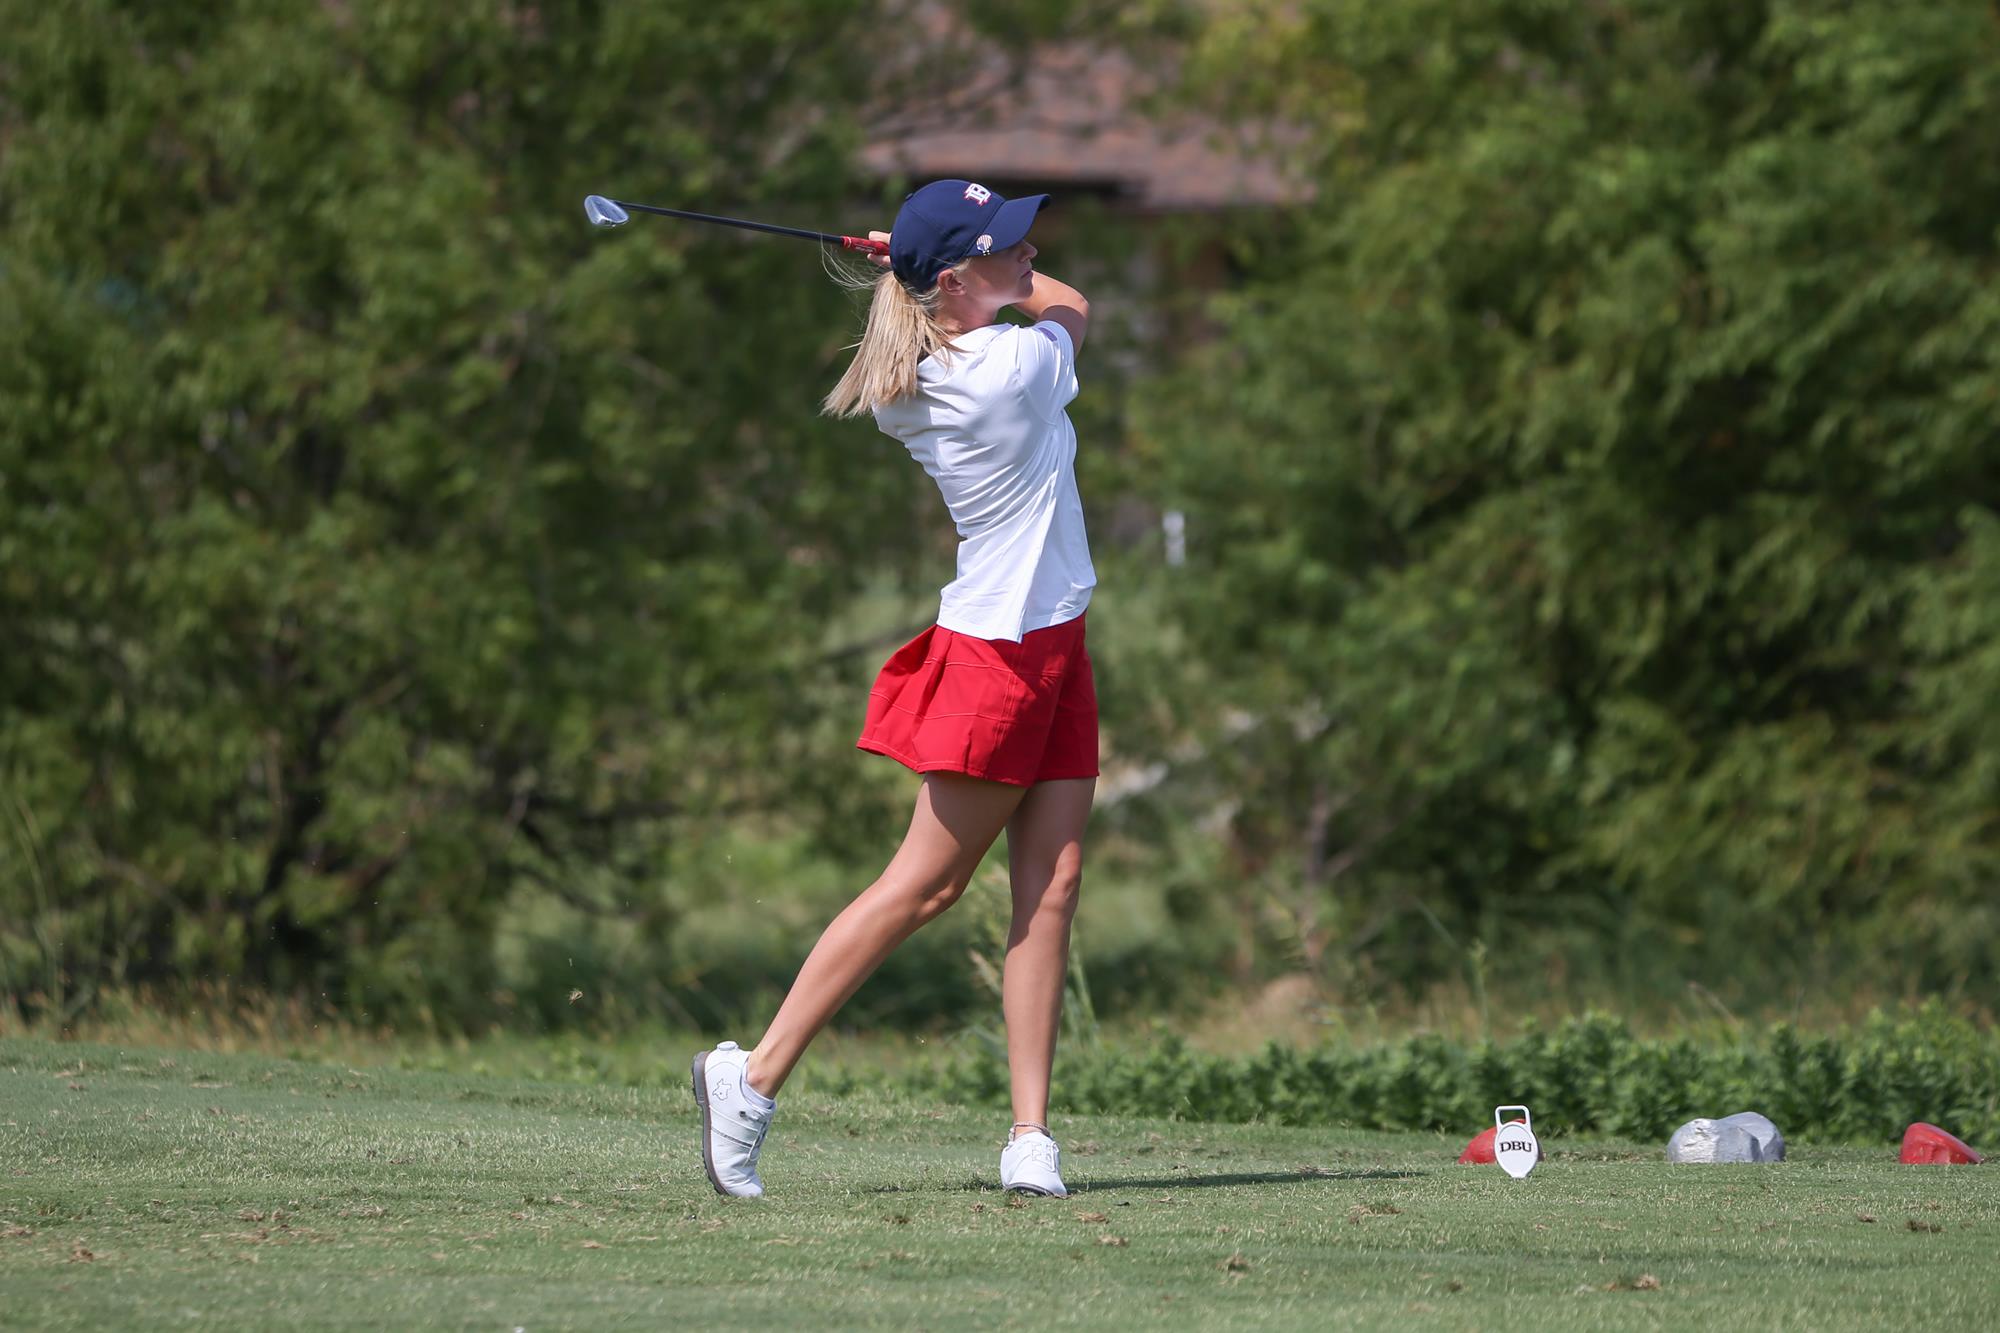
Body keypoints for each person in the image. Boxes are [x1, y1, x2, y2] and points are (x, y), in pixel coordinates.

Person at [693, 180, 1097, 1199]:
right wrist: (929, 268)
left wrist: (928, 274)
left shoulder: (933, 366)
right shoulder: (1005, 369)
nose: (1027, 255)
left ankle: (1027, 1138)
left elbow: (1007, 298)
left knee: (1049, 887)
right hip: (1002, 655)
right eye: (1006, 248)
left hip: (1048, 640)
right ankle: (749, 1076)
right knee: (923, 885)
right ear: (956, 281)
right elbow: (1073, 306)